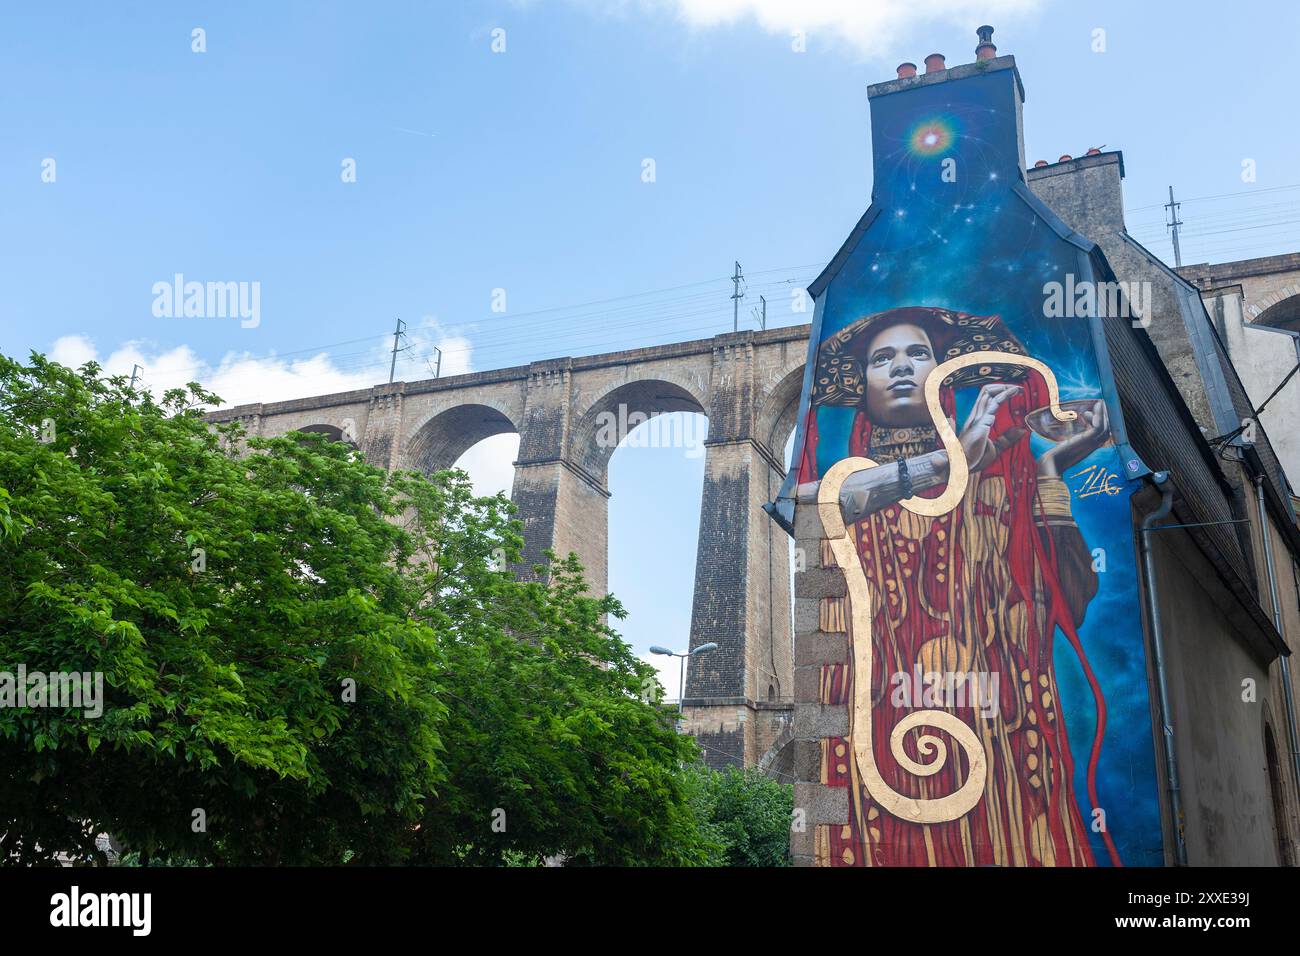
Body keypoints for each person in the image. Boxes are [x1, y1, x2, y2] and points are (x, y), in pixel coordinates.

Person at [795, 306, 1118, 866]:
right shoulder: (845, 481)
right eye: (881, 358)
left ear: (942, 373)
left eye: (917, 354)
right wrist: (951, 462)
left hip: (1004, 753)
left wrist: (1049, 471)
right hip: (876, 736)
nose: (900, 367)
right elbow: (821, 507)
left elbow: (1066, 600)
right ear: (862, 384)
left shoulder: (996, 480)